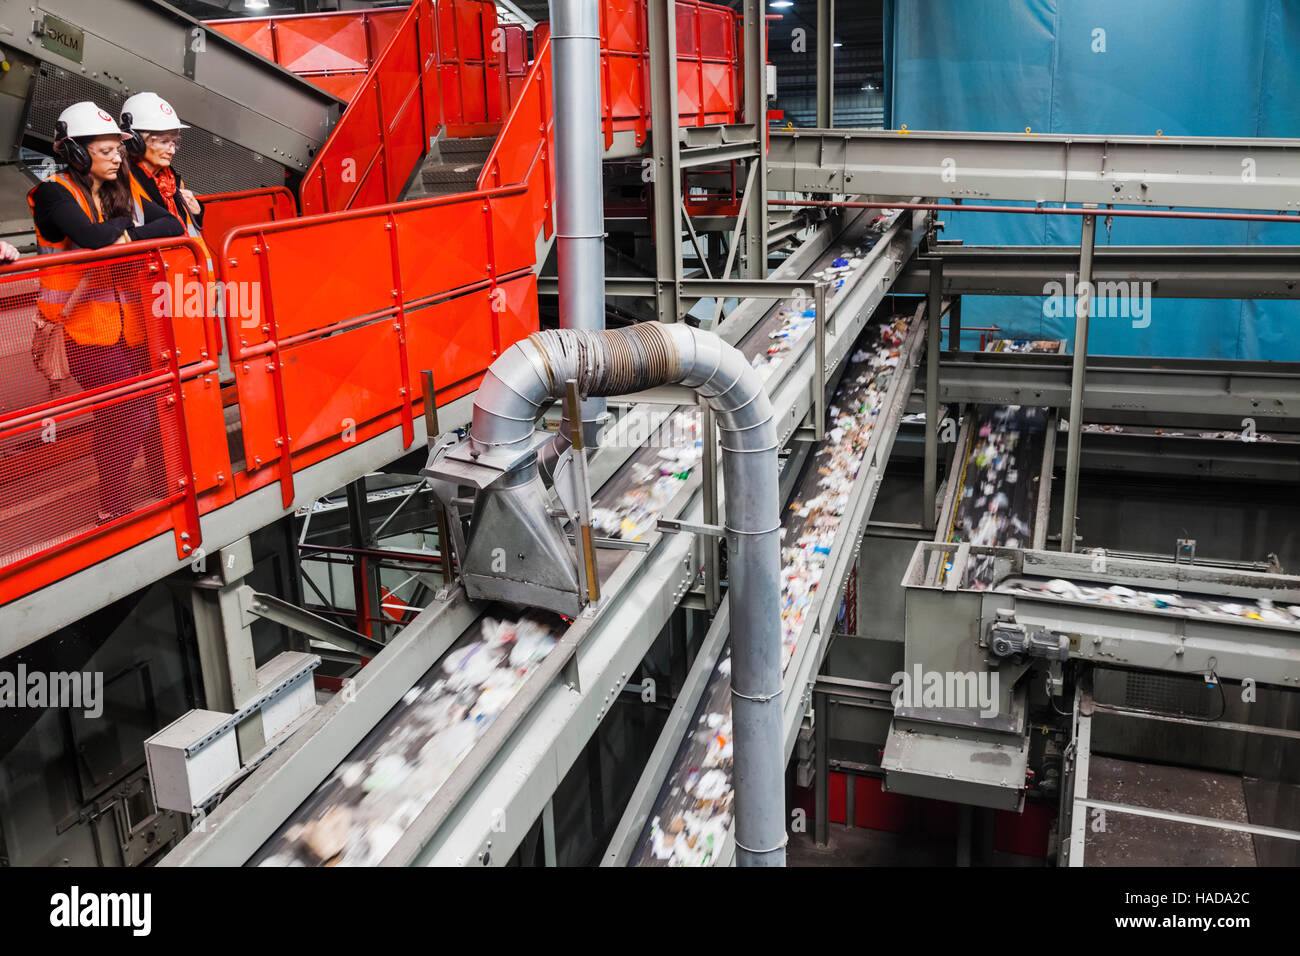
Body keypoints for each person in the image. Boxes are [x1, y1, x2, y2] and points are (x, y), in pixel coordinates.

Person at [28, 101, 184, 523]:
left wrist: (123, 235)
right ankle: (112, 506)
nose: (118, 157)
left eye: (119, 148)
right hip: (78, 331)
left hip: (132, 329)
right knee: (128, 408)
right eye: (107, 150)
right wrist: (124, 232)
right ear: (77, 153)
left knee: (142, 407)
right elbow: (92, 239)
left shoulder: (121, 186)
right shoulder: (54, 193)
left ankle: (159, 484)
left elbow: (172, 225)